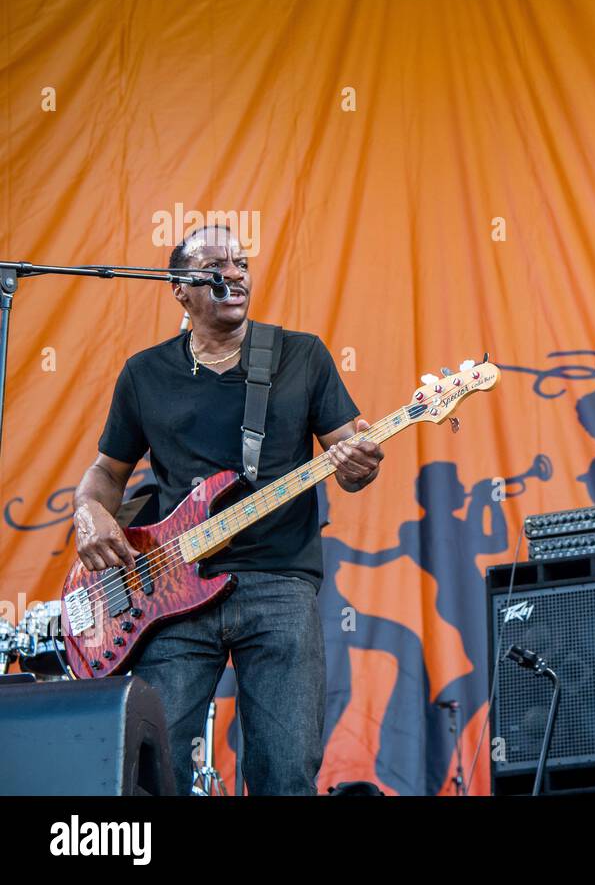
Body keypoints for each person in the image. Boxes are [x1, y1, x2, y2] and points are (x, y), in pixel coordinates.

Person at [72, 224, 384, 795]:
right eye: (216, 265)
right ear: (179, 288)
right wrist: (88, 510)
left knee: (285, 771)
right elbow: (107, 473)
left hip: (279, 583)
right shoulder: (145, 373)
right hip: (167, 589)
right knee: (148, 769)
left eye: (241, 263)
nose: (234, 274)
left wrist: (360, 464)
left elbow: (350, 454)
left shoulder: (300, 355)